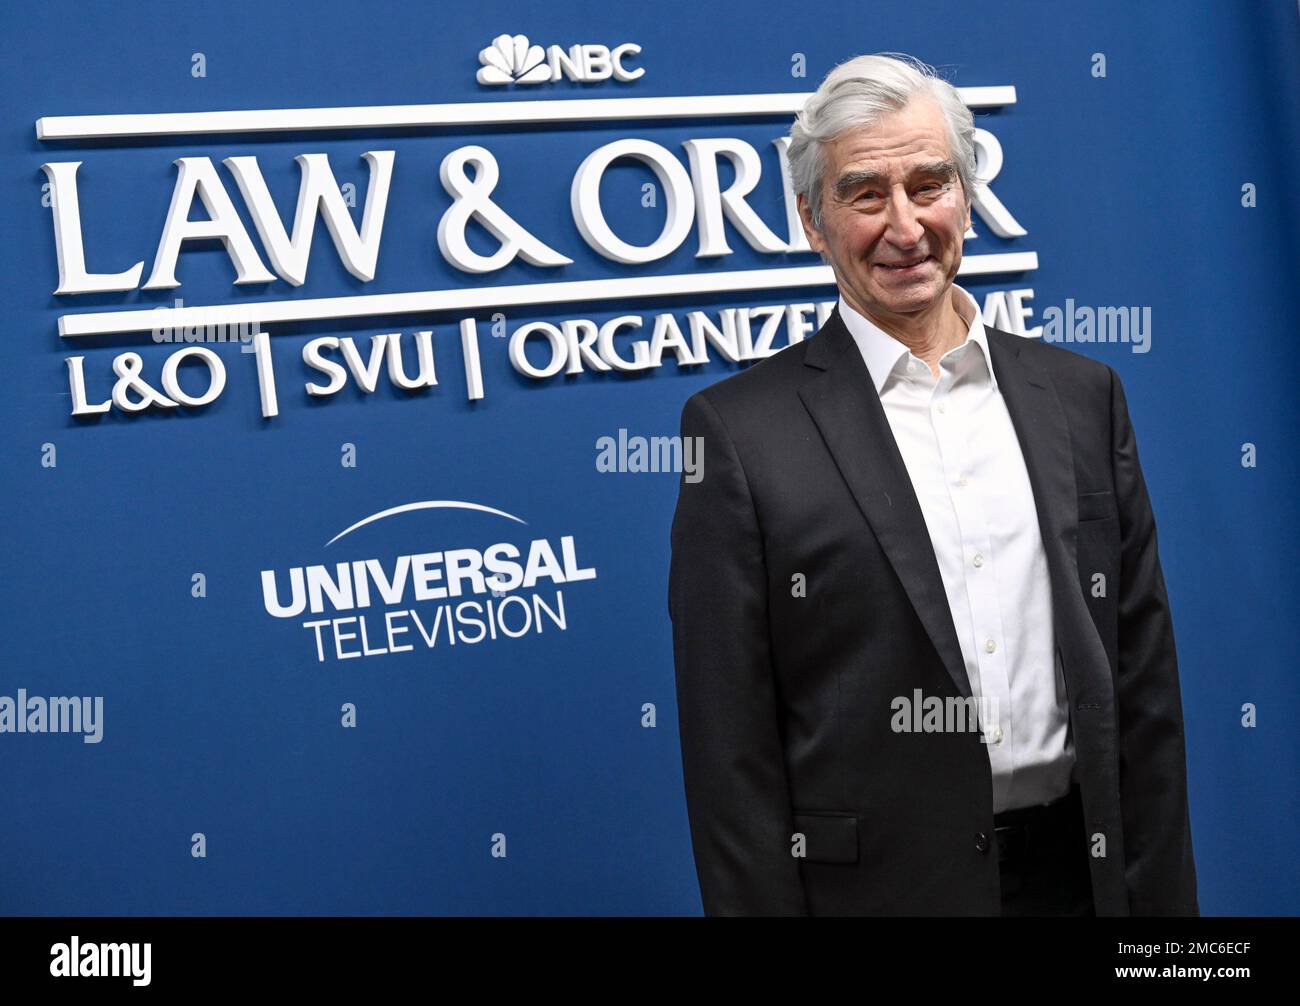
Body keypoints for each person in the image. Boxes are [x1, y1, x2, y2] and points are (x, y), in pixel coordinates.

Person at [667, 52, 1198, 916]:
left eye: (929, 184)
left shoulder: (1082, 397)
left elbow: (1144, 699)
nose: (905, 226)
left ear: (967, 193)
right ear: (811, 218)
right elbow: (730, 761)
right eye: (866, 194)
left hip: (1083, 879)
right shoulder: (738, 434)